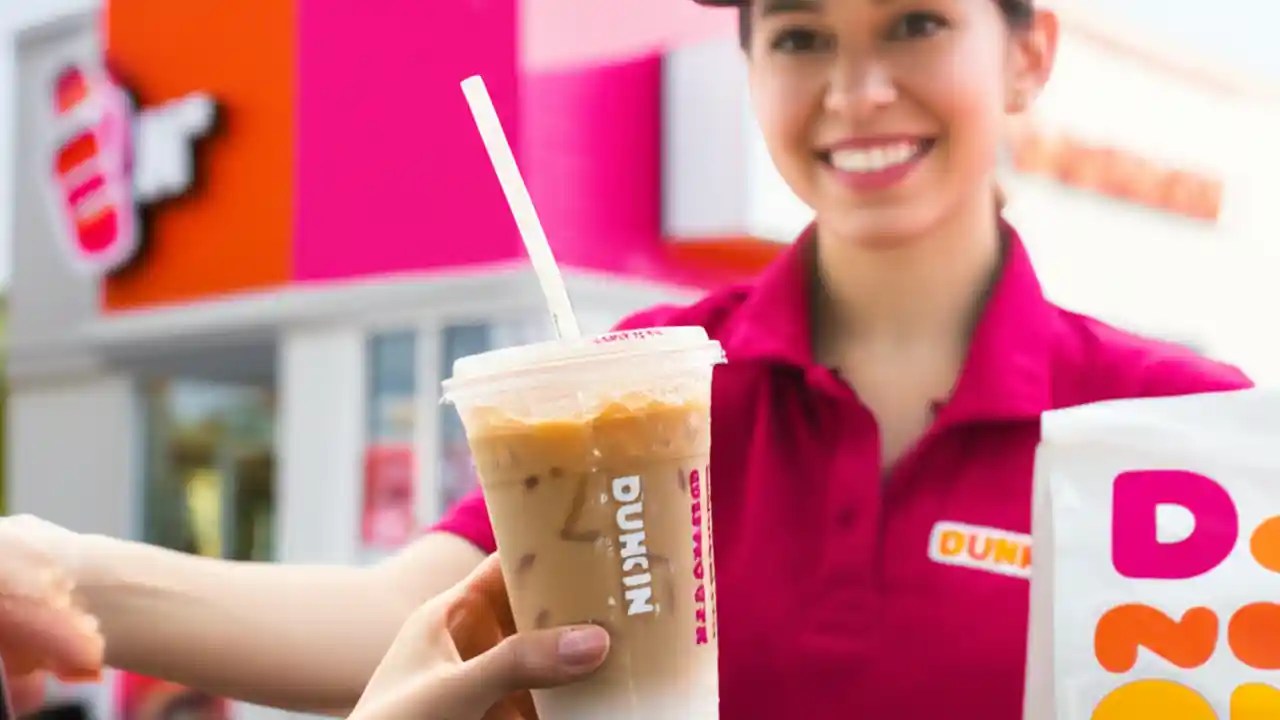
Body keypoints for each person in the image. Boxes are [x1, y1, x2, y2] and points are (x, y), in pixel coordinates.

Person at [0, 0, 1253, 717]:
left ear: (1026, 54)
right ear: (748, 66)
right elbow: (407, 623)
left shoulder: (1178, 428)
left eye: (914, 22)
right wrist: (61, 574)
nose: (856, 89)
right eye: (799, 35)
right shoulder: (646, 382)